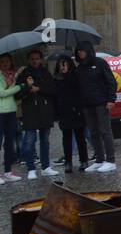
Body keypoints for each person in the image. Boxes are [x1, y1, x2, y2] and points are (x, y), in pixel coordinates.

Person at [74, 40, 118, 173]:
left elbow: (111, 81)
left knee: (105, 130)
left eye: (82, 50)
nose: (80, 53)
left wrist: (111, 99)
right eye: (78, 51)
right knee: (93, 132)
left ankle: (110, 160)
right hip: (87, 104)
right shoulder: (79, 68)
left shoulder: (99, 63)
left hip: (101, 102)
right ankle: (99, 159)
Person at [15, 49, 58, 180]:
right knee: (29, 141)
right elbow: (18, 94)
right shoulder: (24, 74)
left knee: (45, 141)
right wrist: (27, 87)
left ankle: (46, 167)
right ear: (29, 60)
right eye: (32, 59)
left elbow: (53, 90)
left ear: (40, 59)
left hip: (44, 110)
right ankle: (31, 168)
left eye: (37, 58)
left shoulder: (45, 73)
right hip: (30, 112)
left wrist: (39, 88)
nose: (35, 61)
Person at [50, 54, 88, 171]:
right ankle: (68, 162)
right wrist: (56, 114)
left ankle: (84, 160)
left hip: (76, 110)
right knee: (66, 138)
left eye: (65, 63)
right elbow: (55, 97)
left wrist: (67, 74)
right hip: (64, 111)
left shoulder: (75, 75)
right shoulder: (56, 78)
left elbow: (78, 89)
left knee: (80, 137)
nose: (62, 66)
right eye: (60, 64)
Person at [0, 54, 22, 183]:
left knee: (9, 143)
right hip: (0, 112)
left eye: (7, 61)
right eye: (2, 62)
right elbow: (2, 93)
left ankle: (8, 171)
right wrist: (19, 87)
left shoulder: (13, 75)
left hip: (11, 111)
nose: (5, 64)